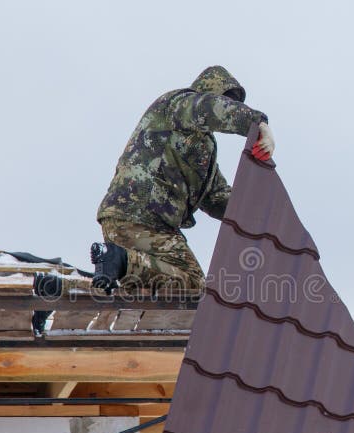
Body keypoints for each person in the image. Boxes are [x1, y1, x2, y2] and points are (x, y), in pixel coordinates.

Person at [91, 65, 275, 294]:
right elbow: (209, 108)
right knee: (193, 285)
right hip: (143, 215)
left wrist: (258, 214)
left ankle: (88, 277)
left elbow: (215, 196)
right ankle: (120, 260)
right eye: (227, 99)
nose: (229, 105)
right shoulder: (178, 104)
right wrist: (258, 125)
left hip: (136, 220)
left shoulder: (201, 146)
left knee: (151, 287)